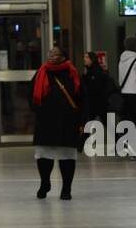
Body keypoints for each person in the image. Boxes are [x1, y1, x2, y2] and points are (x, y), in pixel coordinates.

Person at [31, 48, 84, 199]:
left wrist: (82, 120)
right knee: (43, 154)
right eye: (50, 54)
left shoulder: (72, 73)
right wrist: (39, 110)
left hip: (68, 121)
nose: (52, 57)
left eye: (56, 54)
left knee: (67, 156)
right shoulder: (41, 73)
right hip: (46, 120)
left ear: (63, 57)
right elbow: (32, 95)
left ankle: (66, 189)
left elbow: (81, 97)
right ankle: (45, 182)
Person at [81, 51, 114, 120]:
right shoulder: (88, 74)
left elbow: (96, 89)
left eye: (87, 57)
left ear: (92, 59)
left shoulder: (97, 73)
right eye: (84, 57)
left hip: (100, 105)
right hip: (95, 105)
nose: (84, 59)